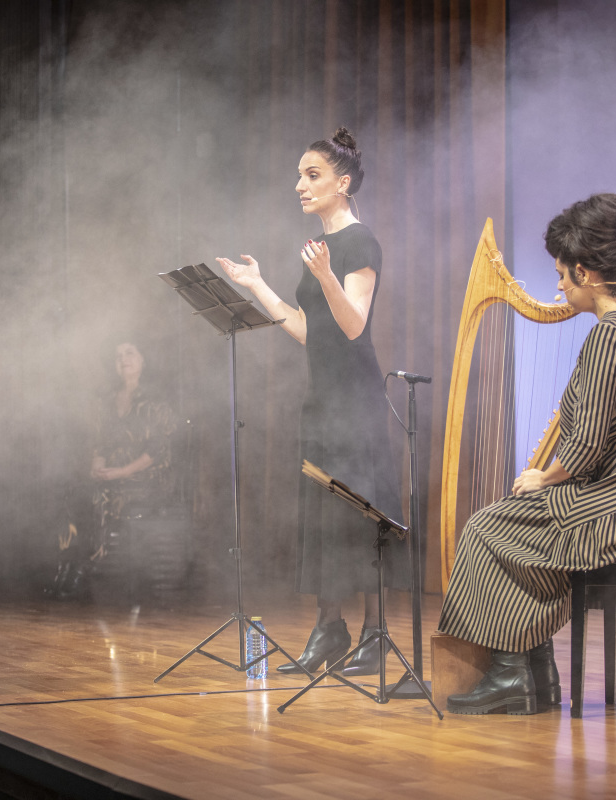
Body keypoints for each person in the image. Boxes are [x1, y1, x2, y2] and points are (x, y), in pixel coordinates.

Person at [438, 193, 616, 715]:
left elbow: (583, 448)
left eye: (562, 274)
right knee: (514, 525)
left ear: (585, 273)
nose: (559, 286)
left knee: (490, 526)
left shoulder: (609, 335)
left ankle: (515, 674)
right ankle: (532, 673)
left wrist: (544, 477)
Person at [216, 127, 405, 676]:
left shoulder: (360, 241)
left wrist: (325, 276)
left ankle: (375, 634)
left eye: (312, 175)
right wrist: (256, 286)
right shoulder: (317, 249)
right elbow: (308, 331)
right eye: (300, 174)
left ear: (342, 184)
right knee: (323, 512)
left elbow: (353, 326)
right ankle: (329, 629)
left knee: (361, 510)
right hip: (322, 398)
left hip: (356, 398)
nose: (299, 184)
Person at [47, 341, 176, 599]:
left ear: (143, 359)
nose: (123, 359)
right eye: (118, 355)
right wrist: (98, 463)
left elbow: (158, 451)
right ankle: (66, 565)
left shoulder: (157, 401)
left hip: (145, 478)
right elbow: (101, 442)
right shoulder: (107, 400)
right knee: (70, 493)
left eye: (130, 352)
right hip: (113, 475)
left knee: (99, 496)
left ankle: (87, 568)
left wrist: (121, 472)